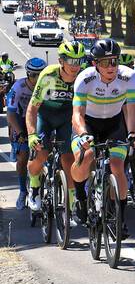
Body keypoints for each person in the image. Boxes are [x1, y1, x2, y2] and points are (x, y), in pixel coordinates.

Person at [69, 39, 135, 230]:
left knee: (117, 166)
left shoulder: (129, 77)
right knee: (86, 156)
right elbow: (77, 113)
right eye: (104, 62)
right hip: (88, 124)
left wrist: (133, 133)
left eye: (114, 61)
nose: (111, 67)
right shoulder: (85, 78)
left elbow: (133, 109)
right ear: (95, 64)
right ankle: (80, 197)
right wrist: (83, 135)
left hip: (114, 124)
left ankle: (120, 218)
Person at [26, 41, 86, 214]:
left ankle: (73, 202)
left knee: (69, 160)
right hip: (46, 116)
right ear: (61, 61)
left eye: (79, 61)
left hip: (67, 118)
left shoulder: (82, 77)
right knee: (41, 153)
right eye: (71, 61)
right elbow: (32, 108)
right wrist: (31, 135)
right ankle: (35, 187)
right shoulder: (48, 76)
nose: (76, 66)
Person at [6, 58, 44, 210]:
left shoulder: (48, 86)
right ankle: (22, 191)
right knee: (22, 157)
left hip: (40, 119)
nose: (37, 79)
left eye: (40, 75)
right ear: (28, 74)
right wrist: (20, 132)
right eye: (34, 75)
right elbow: (10, 114)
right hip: (21, 120)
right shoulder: (18, 87)